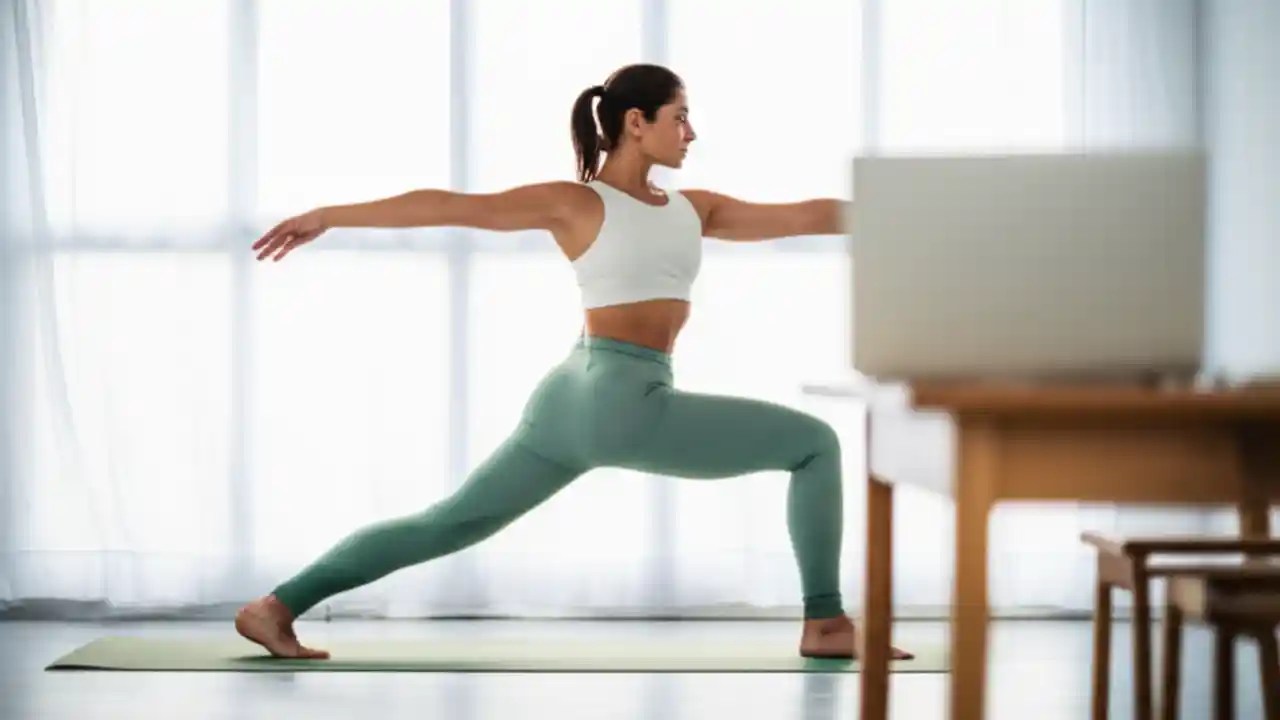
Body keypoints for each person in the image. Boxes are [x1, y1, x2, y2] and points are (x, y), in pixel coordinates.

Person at [235, 63, 908, 661]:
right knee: (814, 444)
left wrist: (905, 209)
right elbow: (448, 205)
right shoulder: (576, 202)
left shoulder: (693, 209)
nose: (691, 133)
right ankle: (824, 621)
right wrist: (328, 213)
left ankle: (276, 607)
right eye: (681, 117)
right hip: (622, 400)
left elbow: (808, 215)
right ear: (636, 123)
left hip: (573, 393)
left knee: (448, 522)